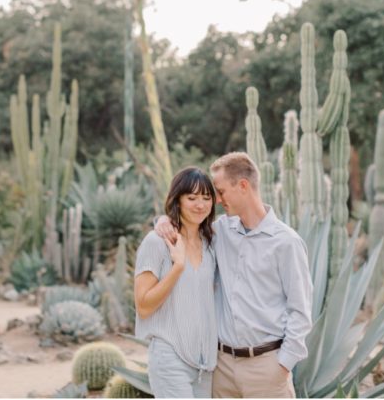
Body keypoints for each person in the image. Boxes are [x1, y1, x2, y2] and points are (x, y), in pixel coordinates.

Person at [155, 152, 313, 398]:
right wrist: (163, 219)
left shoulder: (287, 243)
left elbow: (300, 310)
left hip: (267, 368)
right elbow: (186, 225)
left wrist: (283, 364)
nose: (216, 201)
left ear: (243, 186)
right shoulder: (219, 232)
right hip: (222, 369)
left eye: (220, 192)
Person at [134, 167, 218, 398]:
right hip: (171, 357)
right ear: (177, 200)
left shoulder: (212, 243)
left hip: (205, 364)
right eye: (191, 198)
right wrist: (177, 267)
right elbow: (143, 306)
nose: (200, 204)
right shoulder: (157, 243)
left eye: (206, 198)